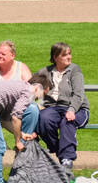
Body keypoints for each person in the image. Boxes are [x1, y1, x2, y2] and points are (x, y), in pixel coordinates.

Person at [32, 42, 89, 172]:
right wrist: (38, 104)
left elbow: (79, 95)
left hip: (77, 107)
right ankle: (57, 150)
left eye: (69, 53)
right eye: (65, 55)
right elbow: (30, 86)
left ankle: (67, 159)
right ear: (55, 57)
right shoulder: (46, 71)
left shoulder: (74, 70)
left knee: (67, 121)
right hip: (53, 107)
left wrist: (71, 110)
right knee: (44, 118)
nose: (69, 57)